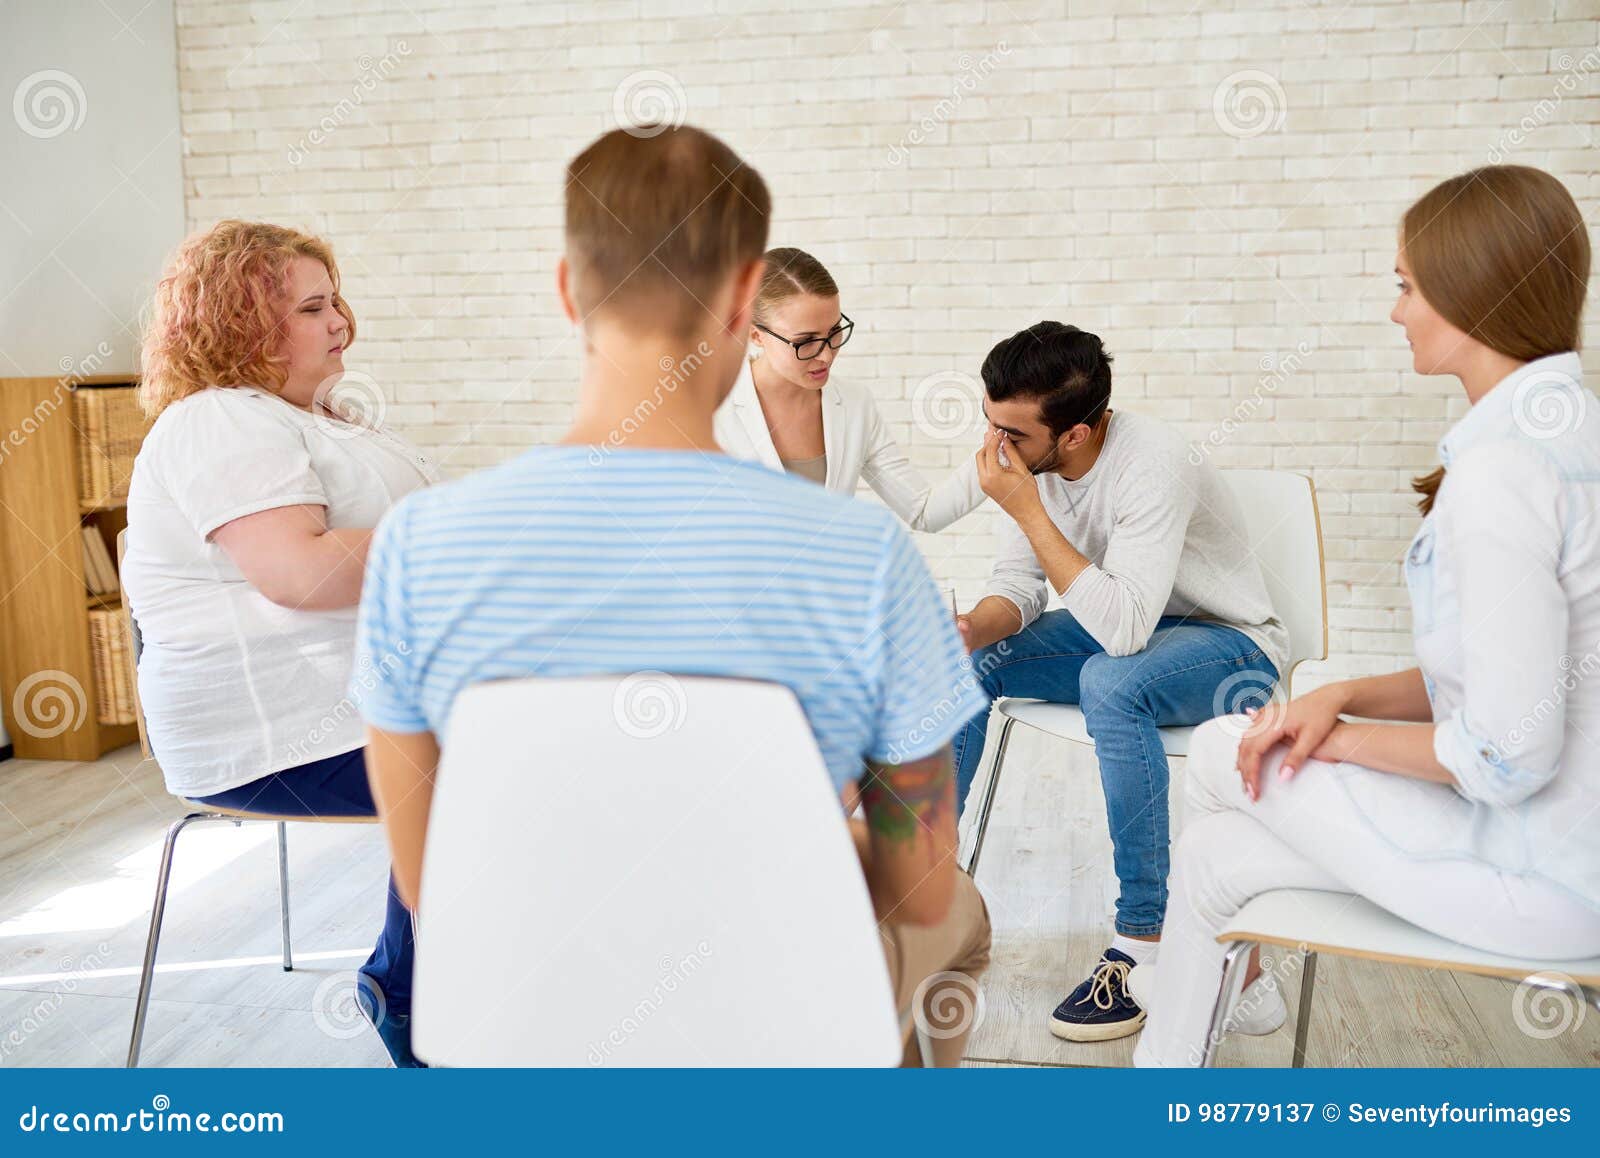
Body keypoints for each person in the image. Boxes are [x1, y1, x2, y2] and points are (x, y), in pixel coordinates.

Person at [353, 124, 992, 1066]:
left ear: (568, 291)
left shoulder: (415, 546)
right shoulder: (865, 559)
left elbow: (425, 881)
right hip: (773, 1017)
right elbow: (921, 887)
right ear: (745, 303)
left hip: (524, 1018)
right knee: (963, 921)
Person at [1134, 164, 1600, 1067]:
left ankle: (1219, 1009)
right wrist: (1344, 691)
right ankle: (1198, 1050)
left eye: (1407, 286)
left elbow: (1504, 754)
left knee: (1232, 751)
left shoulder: (1505, 475)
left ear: (1475, 291)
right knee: (1215, 861)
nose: (1396, 312)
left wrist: (1333, 735)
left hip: (1544, 875)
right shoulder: (1569, 430)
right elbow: (1512, 674)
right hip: (1555, 849)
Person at [122, 220, 436, 1068]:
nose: (340, 323)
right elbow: (300, 574)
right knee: (492, 765)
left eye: (334, 301)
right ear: (241, 327)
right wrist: (460, 532)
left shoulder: (304, 418)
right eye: (312, 307)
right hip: (271, 740)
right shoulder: (218, 422)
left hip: (345, 705)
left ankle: (447, 981)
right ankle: (415, 994)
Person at [950, 322, 1289, 1042]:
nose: (994, 448)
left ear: (1075, 434)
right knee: (972, 666)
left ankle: (1144, 942)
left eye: (1012, 432)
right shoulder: (1034, 467)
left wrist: (1027, 510)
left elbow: (1126, 630)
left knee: (1111, 680)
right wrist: (970, 629)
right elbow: (1020, 586)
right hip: (1127, 627)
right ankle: (923, 892)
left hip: (1229, 646)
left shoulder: (1153, 459)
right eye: (990, 422)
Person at [714, 247, 984, 529]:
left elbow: (923, 510)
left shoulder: (855, 404)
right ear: (755, 334)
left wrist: (1004, 448)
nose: (826, 355)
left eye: (834, 332)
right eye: (805, 341)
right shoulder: (711, 408)